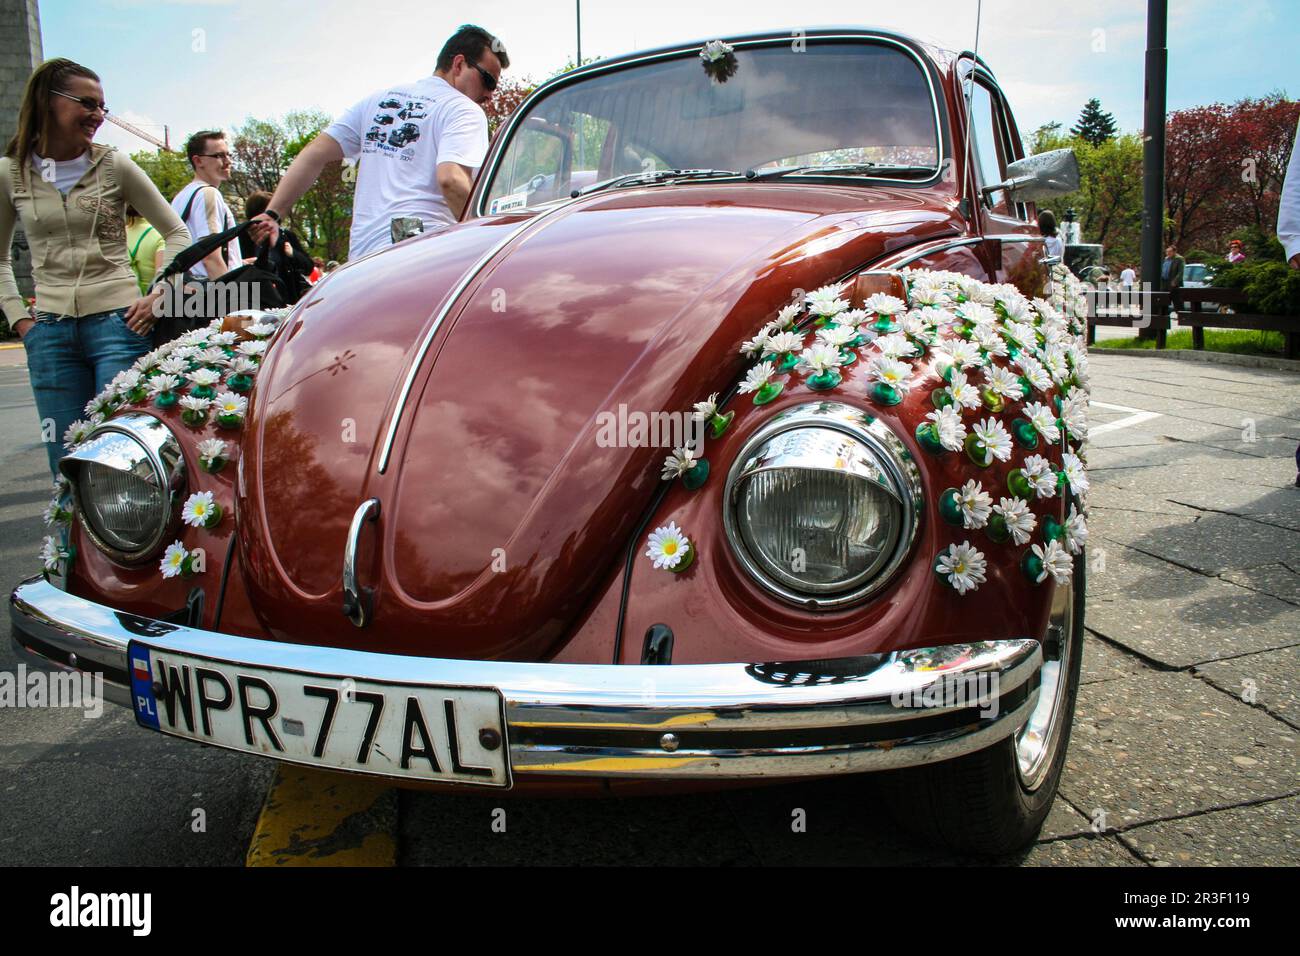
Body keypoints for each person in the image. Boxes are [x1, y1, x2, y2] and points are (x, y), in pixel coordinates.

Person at [0, 58, 190, 476]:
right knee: (65, 461)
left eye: (103, 106)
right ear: (49, 101)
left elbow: (177, 233)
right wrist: (20, 320)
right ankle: (70, 545)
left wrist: (161, 292)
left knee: (120, 460)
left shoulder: (114, 164)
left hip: (119, 327)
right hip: (48, 334)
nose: (99, 116)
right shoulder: (10, 172)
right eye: (87, 104)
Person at [250, 24, 508, 260]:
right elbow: (451, 179)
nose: (490, 93)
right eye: (488, 80)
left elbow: (314, 153)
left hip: (363, 256)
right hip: (425, 252)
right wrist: (488, 242)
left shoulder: (377, 101)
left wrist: (273, 214)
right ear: (459, 64)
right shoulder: (463, 109)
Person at [171, 130, 239, 278]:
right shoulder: (208, 194)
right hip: (209, 292)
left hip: (185, 291)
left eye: (228, 154)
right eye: (219, 156)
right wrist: (230, 298)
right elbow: (210, 257)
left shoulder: (181, 197)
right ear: (198, 161)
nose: (228, 161)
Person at [125, 205, 164, 294]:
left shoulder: (116, 235)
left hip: (125, 298)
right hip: (150, 301)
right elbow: (162, 279)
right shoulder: (160, 234)